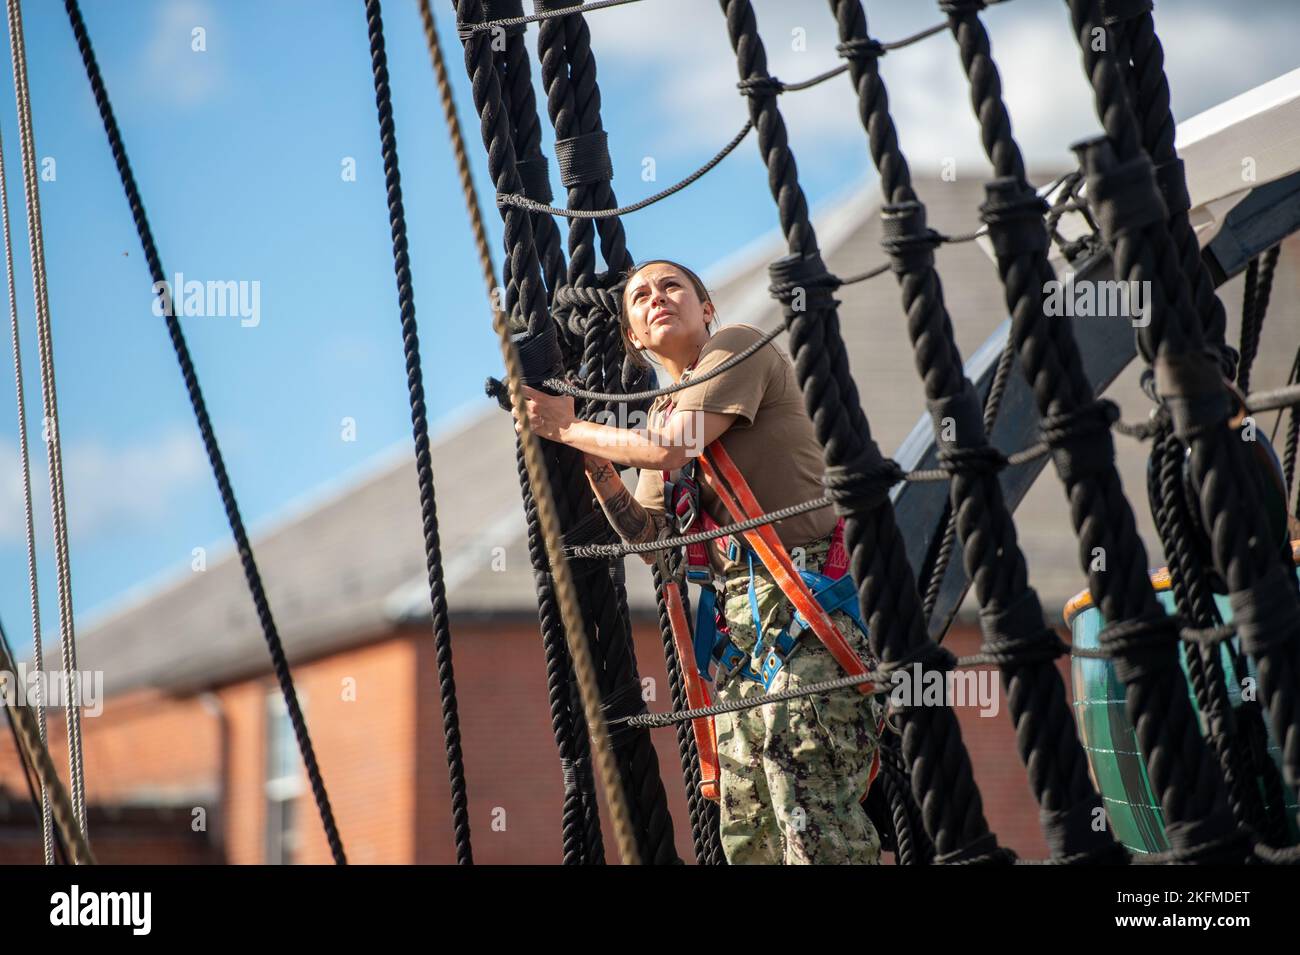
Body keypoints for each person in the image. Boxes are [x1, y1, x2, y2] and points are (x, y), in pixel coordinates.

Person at [517, 259, 882, 864]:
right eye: (639, 296)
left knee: (808, 810)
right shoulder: (663, 411)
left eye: (671, 287)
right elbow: (657, 539)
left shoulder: (738, 347)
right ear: (632, 335)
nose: (656, 297)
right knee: (751, 827)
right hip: (742, 633)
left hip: (802, 602)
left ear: (706, 309)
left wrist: (568, 427)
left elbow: (667, 450)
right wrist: (598, 464)